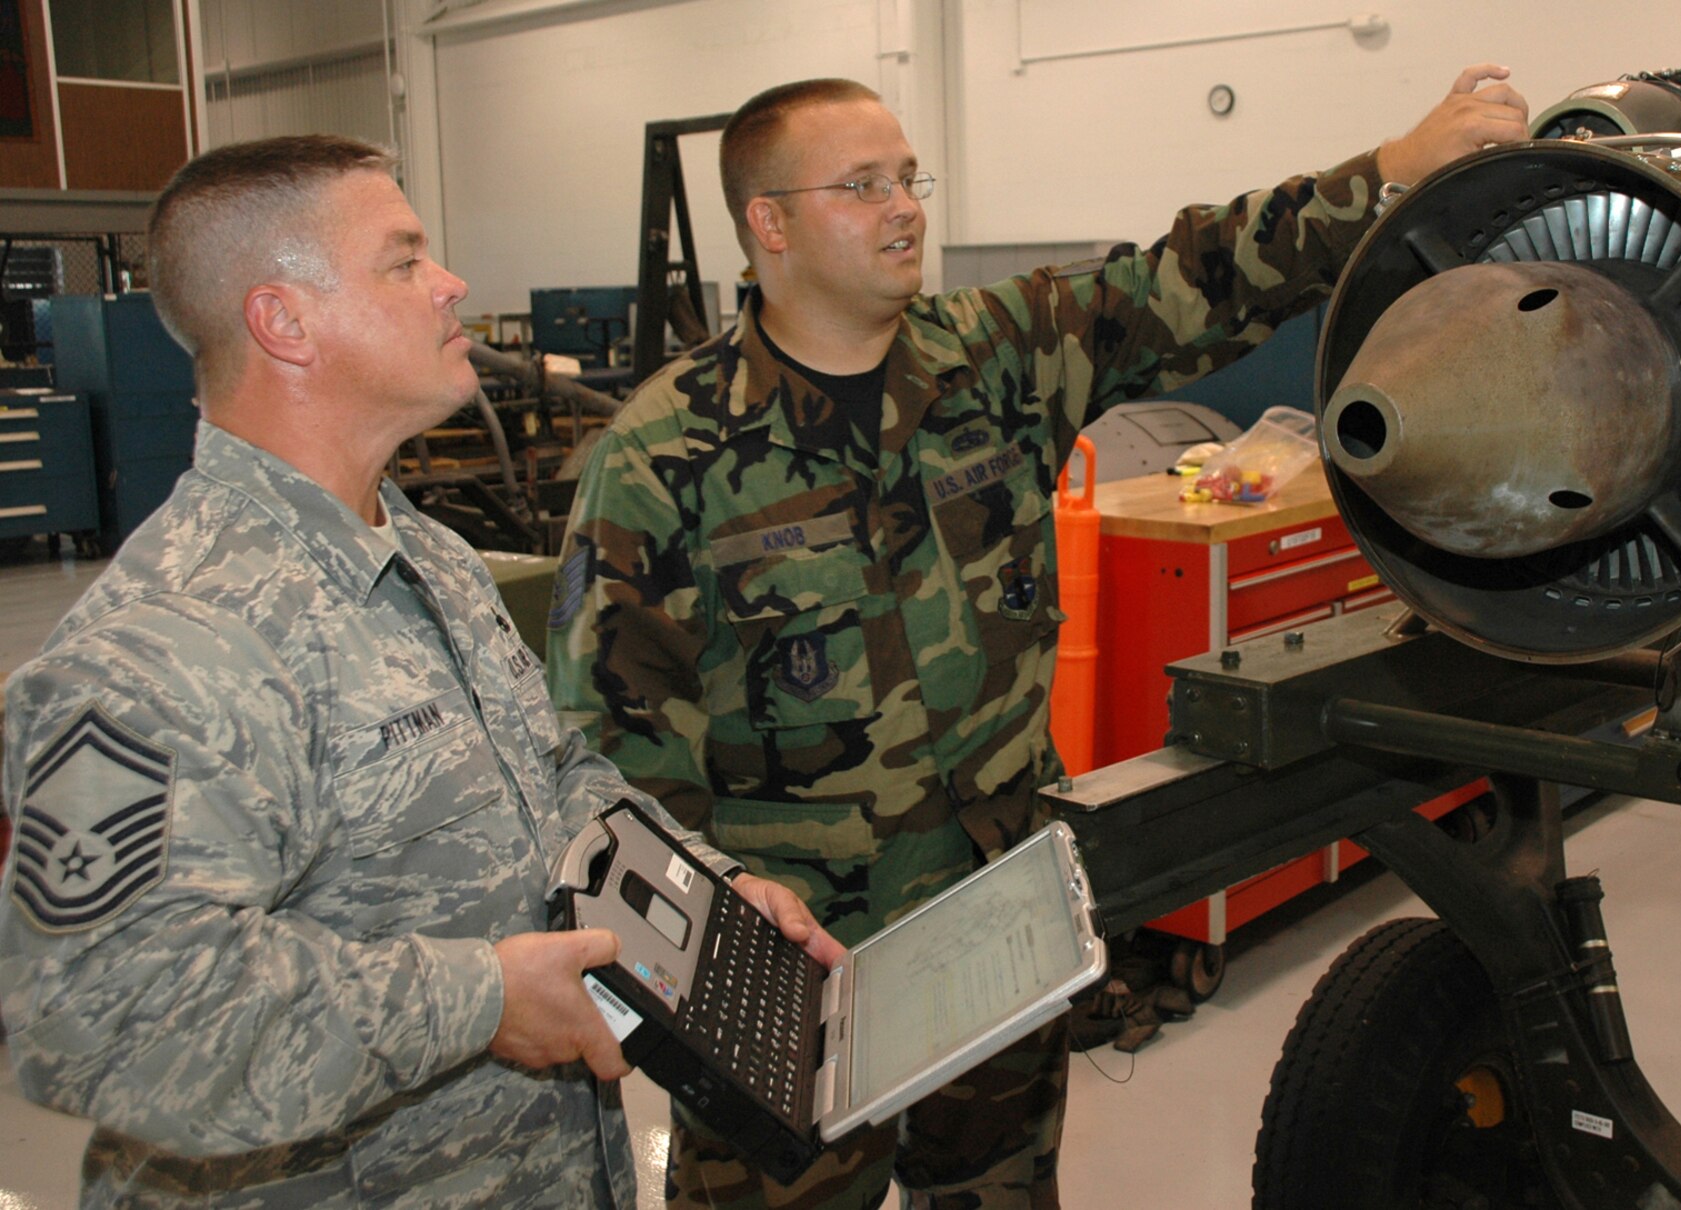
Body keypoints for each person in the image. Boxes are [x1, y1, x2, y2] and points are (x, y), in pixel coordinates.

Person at [545, 68, 1529, 1208]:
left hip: (994, 927)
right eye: (859, 186)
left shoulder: (996, 358)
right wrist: (714, 971)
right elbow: (619, 755)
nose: (904, 207)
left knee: (999, 1192)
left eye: (907, 177)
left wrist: (1390, 171)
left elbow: (1187, 277)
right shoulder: (663, 455)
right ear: (767, 224)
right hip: (804, 970)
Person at [0, 134, 840, 1208]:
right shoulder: (166, 644)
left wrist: (704, 893)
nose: (450, 285)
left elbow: (557, 777)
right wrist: (478, 999)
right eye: (402, 261)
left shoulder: (427, 553)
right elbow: (105, 1019)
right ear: (283, 321)